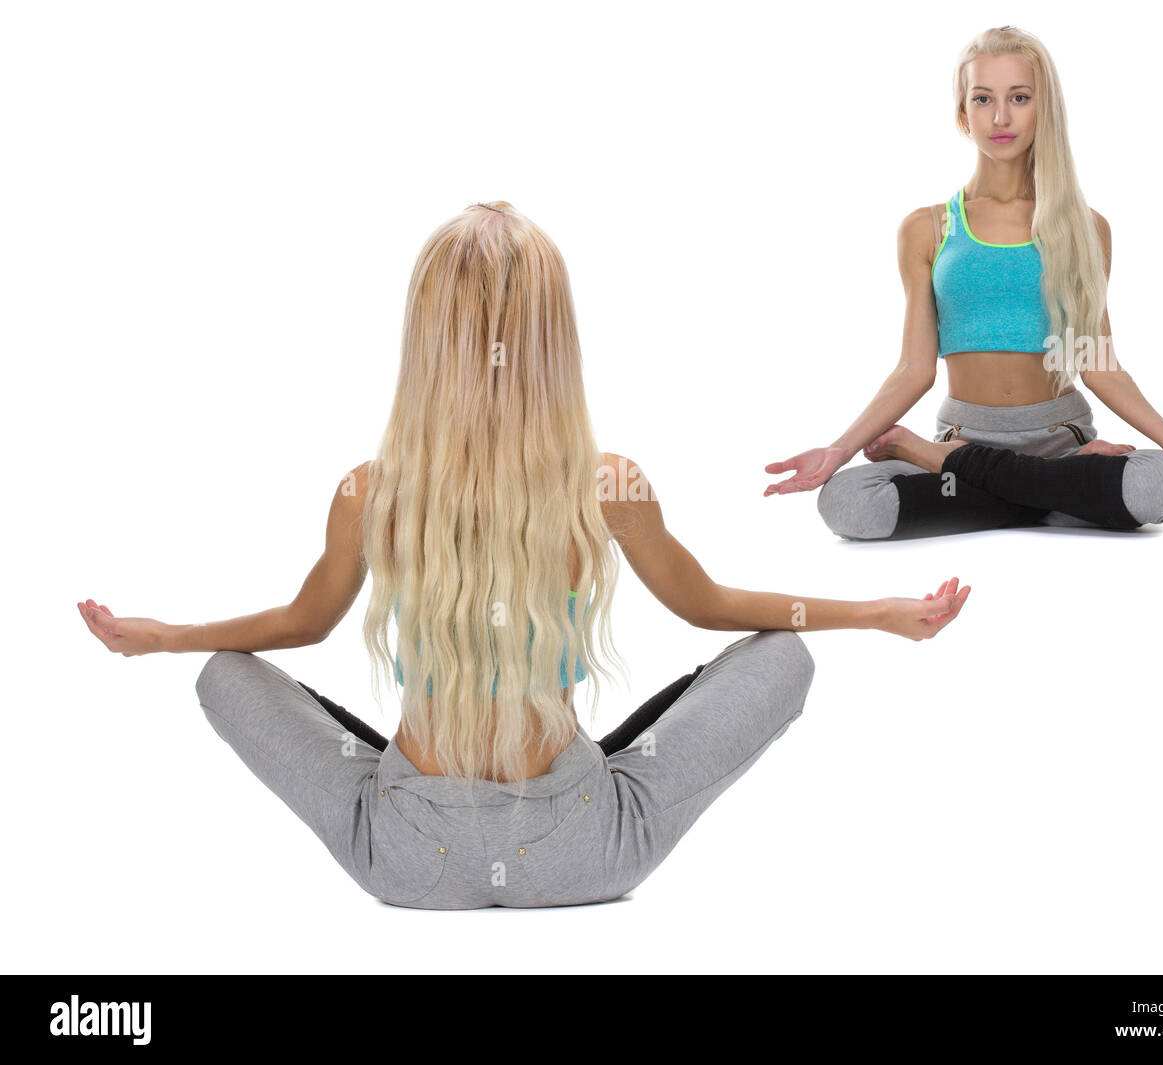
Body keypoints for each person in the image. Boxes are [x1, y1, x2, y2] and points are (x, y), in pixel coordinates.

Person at [77, 201, 972, 909]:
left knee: (222, 675)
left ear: (423, 342)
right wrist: (876, 615)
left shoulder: (371, 491)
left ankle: (435, 769)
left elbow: (300, 625)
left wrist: (173, 638)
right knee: (784, 652)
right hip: (581, 848)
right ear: (554, 343)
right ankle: (586, 767)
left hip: (404, 853)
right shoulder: (606, 484)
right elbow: (711, 607)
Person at [764, 25, 1163, 540]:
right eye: (983, 99)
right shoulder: (926, 228)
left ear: (1044, 109)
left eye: (1019, 98)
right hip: (965, 439)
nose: (1000, 117)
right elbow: (914, 368)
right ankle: (1059, 494)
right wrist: (838, 450)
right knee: (847, 502)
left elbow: (1098, 364)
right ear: (962, 112)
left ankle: (974, 479)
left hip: (1045, 443)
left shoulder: (1086, 228)